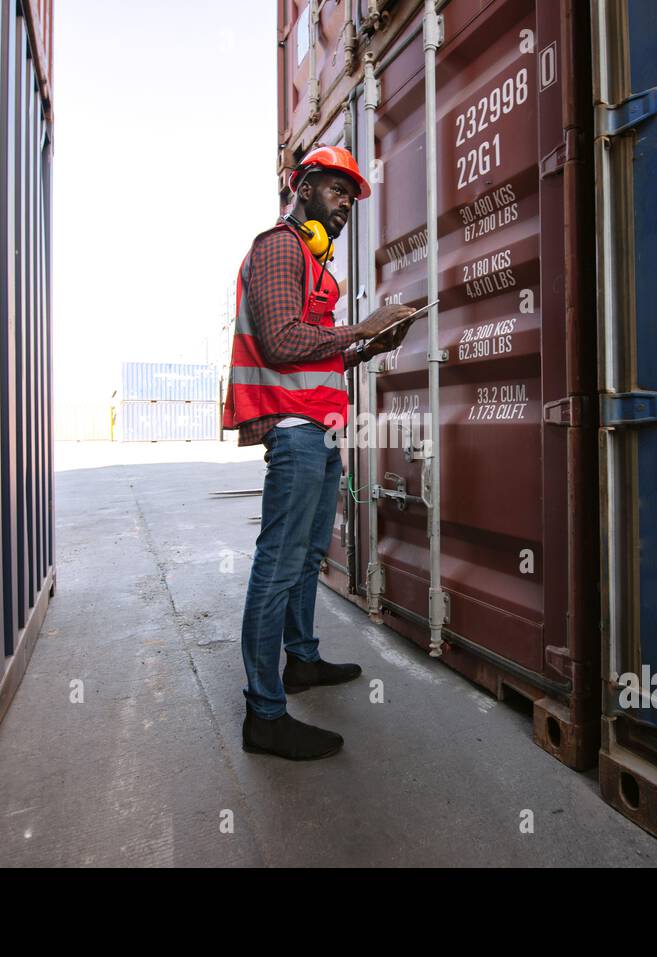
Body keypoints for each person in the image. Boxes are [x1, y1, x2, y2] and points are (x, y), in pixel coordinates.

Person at [222, 144, 416, 761]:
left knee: (306, 556)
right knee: (278, 563)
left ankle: (300, 661)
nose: (344, 207)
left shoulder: (312, 262)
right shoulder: (279, 247)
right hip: (295, 430)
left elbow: (315, 347)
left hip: (320, 430)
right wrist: (359, 326)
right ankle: (264, 713)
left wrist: (371, 345)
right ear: (304, 189)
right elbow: (280, 340)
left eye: (352, 199)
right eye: (336, 191)